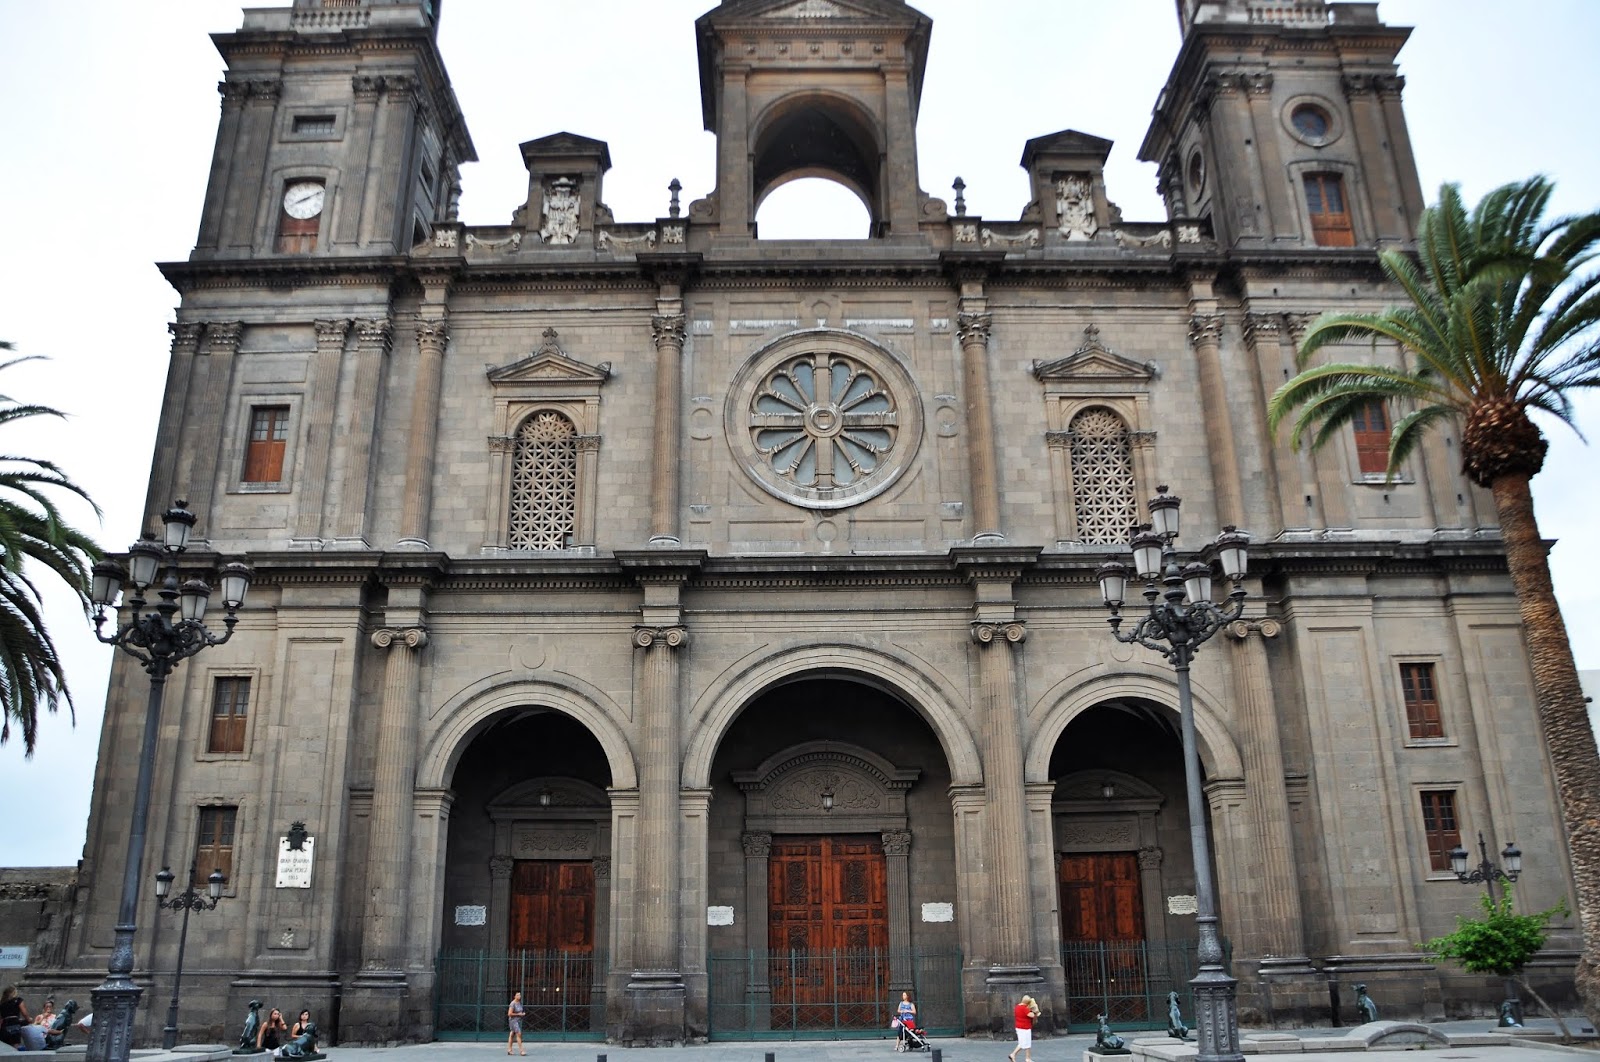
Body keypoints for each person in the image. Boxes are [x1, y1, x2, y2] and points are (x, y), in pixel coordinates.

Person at [1007, 994, 1039, 1062]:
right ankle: (1018, 1056)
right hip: (1025, 1028)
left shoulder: (1017, 1006)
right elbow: (1032, 1015)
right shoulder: (1025, 1008)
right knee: (1025, 1043)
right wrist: (1035, 1010)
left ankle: (1024, 1057)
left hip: (1019, 1027)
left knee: (1024, 1043)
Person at [506, 991, 525, 1055]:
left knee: (512, 1034)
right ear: (514, 996)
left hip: (518, 1020)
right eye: (517, 995)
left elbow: (520, 1011)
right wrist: (518, 1014)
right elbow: (509, 1013)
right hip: (513, 1021)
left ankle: (509, 1049)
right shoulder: (512, 1004)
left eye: (519, 995)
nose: (519, 996)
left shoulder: (519, 1003)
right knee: (518, 1034)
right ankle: (521, 1050)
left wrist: (522, 1014)